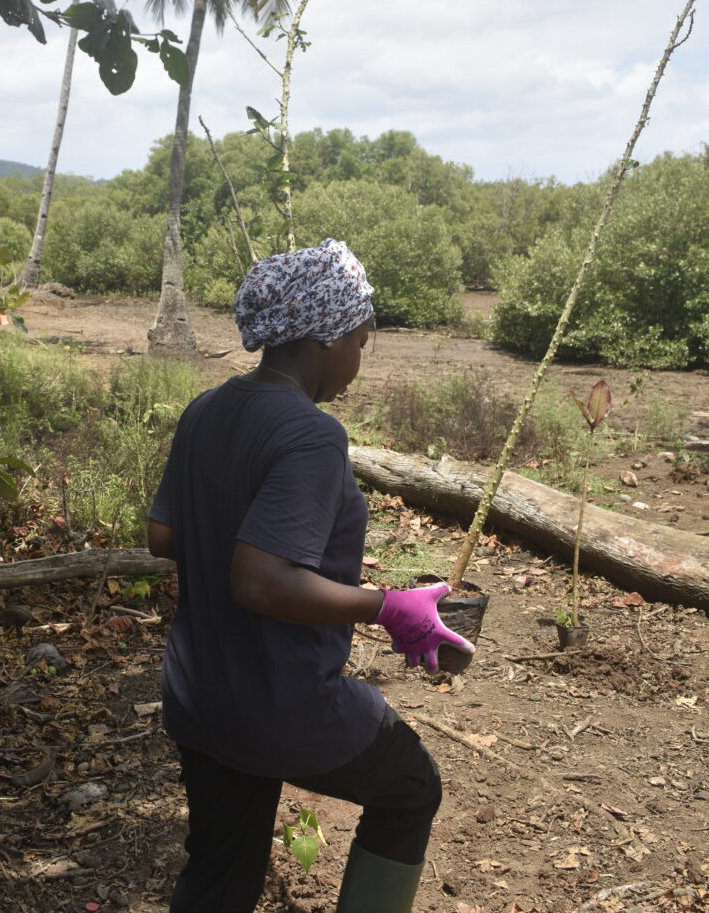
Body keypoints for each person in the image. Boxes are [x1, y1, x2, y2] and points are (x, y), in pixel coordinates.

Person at [146, 239, 476, 913]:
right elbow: (260, 582)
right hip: (280, 703)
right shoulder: (309, 432)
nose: (360, 356)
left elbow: (163, 536)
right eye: (361, 339)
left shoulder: (206, 410)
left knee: (221, 871)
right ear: (325, 340)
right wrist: (387, 606)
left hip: (200, 696)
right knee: (411, 787)